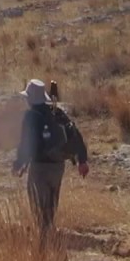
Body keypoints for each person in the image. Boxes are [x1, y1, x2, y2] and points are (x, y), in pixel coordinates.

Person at [12, 79, 90, 242]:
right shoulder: (57, 112)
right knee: (50, 208)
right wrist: (82, 160)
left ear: (30, 98)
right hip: (58, 167)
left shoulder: (31, 116)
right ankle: (50, 241)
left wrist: (18, 164)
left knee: (39, 211)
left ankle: (45, 247)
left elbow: (26, 143)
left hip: (40, 168)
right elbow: (75, 134)